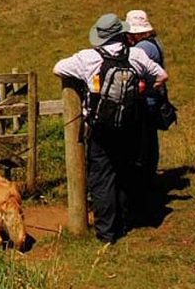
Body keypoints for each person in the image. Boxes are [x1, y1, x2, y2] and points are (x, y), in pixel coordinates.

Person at [53, 13, 168, 243]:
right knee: (124, 172)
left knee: (101, 176)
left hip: (101, 128)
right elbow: (162, 76)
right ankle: (124, 223)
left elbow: (58, 68)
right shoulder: (135, 55)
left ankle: (106, 232)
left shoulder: (88, 58)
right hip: (130, 126)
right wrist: (143, 90)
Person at [125, 9, 166, 213]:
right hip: (154, 99)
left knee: (143, 143)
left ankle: (144, 184)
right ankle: (150, 180)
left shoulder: (142, 48)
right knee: (150, 141)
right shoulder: (154, 43)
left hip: (145, 100)